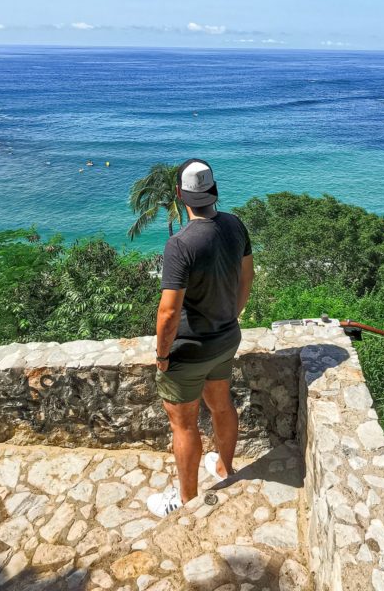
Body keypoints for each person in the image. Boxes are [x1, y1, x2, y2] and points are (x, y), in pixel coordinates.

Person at [147, 158, 254, 517]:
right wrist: (232, 315)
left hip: (189, 351)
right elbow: (247, 277)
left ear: (180, 195)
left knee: (184, 424)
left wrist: (163, 355)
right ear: (215, 190)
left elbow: (168, 313)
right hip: (226, 340)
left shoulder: (181, 244)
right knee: (221, 405)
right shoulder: (235, 225)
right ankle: (224, 467)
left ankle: (187, 499)